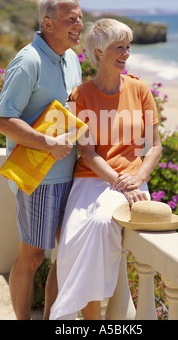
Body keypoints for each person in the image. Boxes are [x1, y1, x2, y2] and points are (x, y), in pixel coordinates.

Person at [49, 18, 162, 320]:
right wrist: (118, 181)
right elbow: (87, 153)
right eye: (118, 47)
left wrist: (137, 178)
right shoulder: (79, 95)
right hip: (92, 180)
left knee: (101, 223)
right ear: (98, 52)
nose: (126, 53)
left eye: (128, 46)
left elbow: (155, 147)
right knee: (74, 238)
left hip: (133, 182)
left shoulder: (140, 90)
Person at [0, 0, 83, 320]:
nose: (79, 24)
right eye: (70, 18)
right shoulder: (28, 60)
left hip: (72, 176)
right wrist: (47, 143)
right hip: (39, 180)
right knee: (32, 258)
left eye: (79, 17)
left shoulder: (72, 58)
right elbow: (2, 120)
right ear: (48, 23)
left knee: (68, 256)